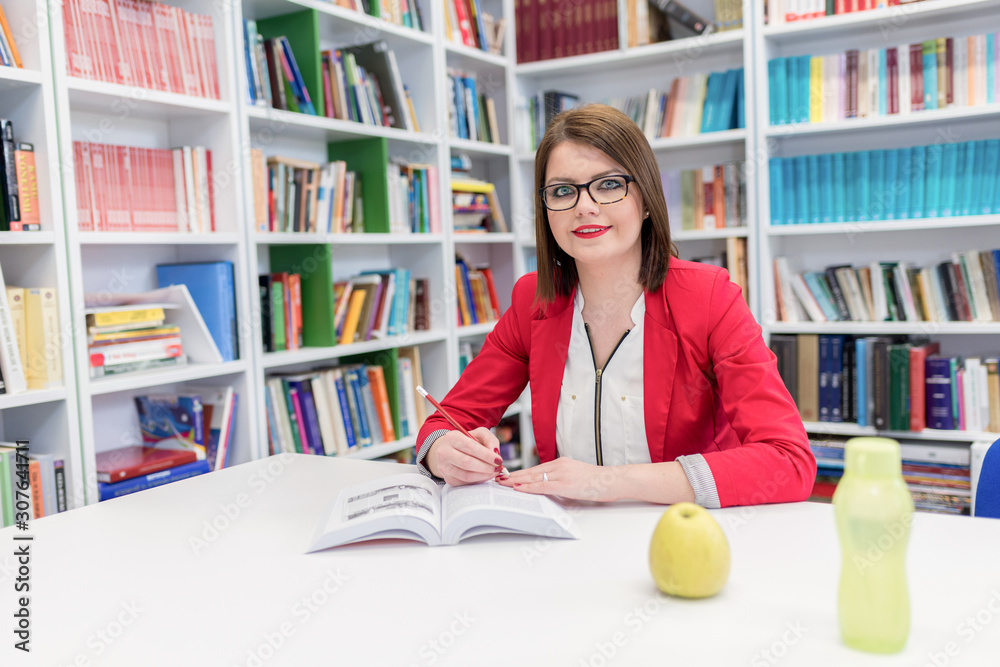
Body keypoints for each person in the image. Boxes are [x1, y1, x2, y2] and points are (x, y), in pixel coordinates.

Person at [416, 104, 815, 507]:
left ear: (645, 200)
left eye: (608, 185)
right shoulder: (532, 301)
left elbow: (789, 461)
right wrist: (444, 451)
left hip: (682, 537)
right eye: (562, 191)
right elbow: (445, 421)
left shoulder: (709, 298)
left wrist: (605, 483)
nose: (584, 206)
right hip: (569, 539)